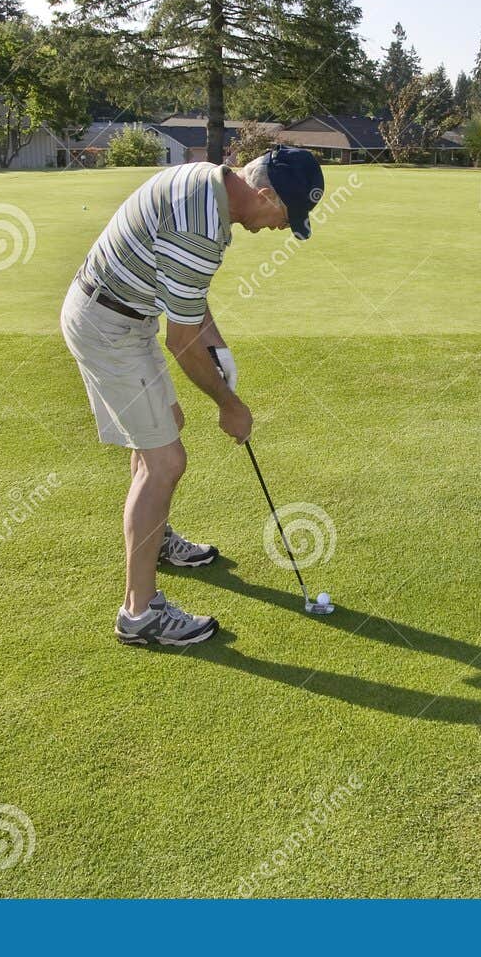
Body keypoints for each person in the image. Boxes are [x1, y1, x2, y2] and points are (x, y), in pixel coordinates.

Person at [60, 147, 325, 647]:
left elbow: (188, 298)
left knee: (167, 429)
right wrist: (230, 406)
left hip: (127, 314)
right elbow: (181, 340)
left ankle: (155, 539)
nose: (278, 228)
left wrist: (218, 346)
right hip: (107, 326)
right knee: (165, 462)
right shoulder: (200, 229)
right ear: (265, 195)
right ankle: (139, 614)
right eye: (284, 217)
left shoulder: (210, 185)